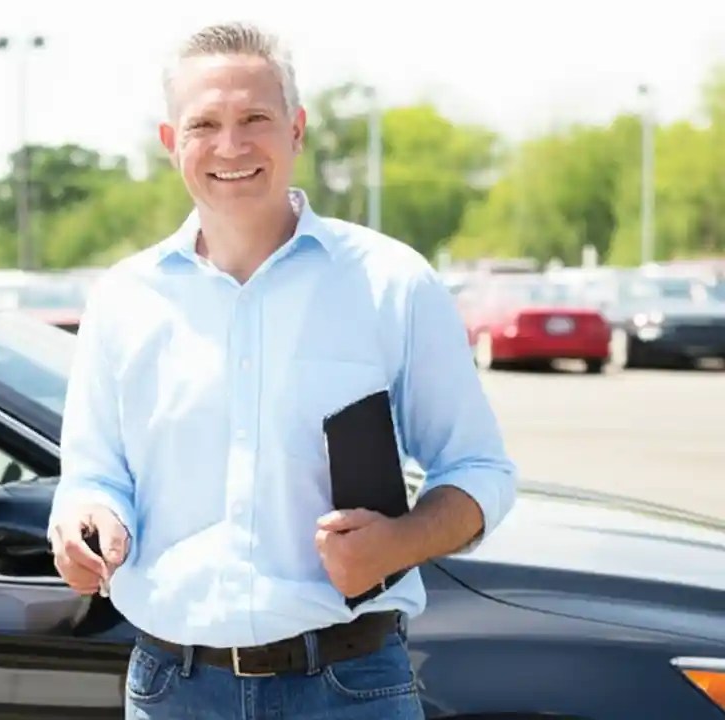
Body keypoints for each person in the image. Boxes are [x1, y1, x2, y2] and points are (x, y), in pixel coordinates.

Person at [47, 20, 518, 720]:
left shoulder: (392, 284)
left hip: (348, 687)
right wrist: (85, 521)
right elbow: (92, 474)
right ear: (172, 142)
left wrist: (398, 543)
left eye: (255, 119)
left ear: (296, 130)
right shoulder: (123, 299)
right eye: (204, 123)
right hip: (172, 690)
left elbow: (480, 471)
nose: (231, 146)